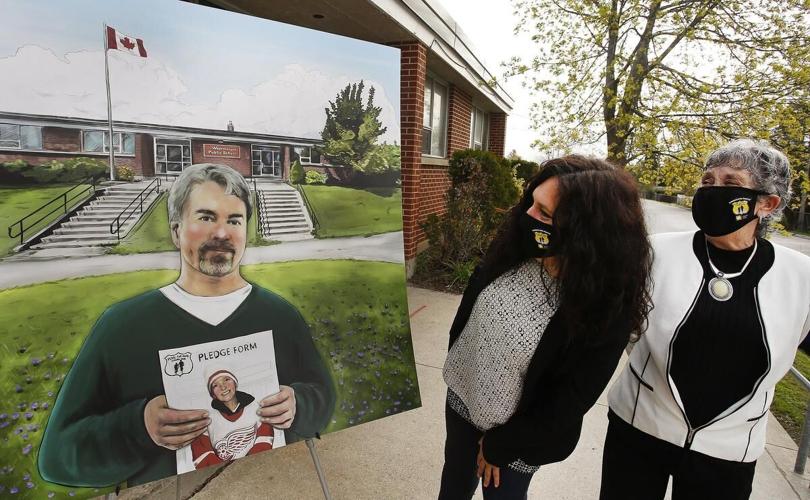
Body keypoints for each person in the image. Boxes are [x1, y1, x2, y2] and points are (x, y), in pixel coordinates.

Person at [38, 163, 336, 488]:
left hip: (270, 484)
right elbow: (57, 456)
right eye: (206, 217)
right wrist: (139, 427)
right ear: (176, 230)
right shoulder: (122, 327)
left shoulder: (280, 315)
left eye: (234, 220)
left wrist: (298, 404)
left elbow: (321, 394)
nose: (221, 233)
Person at [601, 139, 810, 500]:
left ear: (767, 203)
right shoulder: (654, 251)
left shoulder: (802, 277)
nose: (713, 191)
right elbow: (604, 324)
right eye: (708, 182)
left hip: (729, 451)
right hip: (639, 428)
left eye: (731, 184)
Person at [439, 155, 653, 499]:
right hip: (464, 398)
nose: (528, 216)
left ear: (586, 232)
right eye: (531, 202)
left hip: (520, 438)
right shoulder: (515, 249)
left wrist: (501, 445)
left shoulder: (605, 306)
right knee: (452, 489)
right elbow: (471, 307)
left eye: (545, 213)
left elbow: (570, 399)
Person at [190, 367, 274, 469]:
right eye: (215, 385)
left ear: (235, 383)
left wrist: (249, 466)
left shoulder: (256, 408)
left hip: (256, 468)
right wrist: (226, 473)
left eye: (226, 379)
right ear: (212, 394)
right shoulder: (205, 420)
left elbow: (265, 440)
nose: (223, 387)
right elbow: (202, 456)